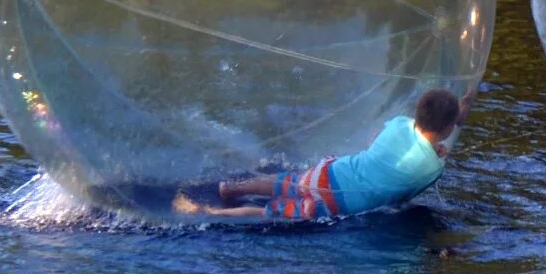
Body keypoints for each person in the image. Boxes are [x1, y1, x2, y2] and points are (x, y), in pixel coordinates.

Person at [173, 87, 466, 221]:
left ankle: (231, 188)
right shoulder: (432, 168)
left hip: (331, 171)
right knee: (271, 213)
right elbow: (408, 191)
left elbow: (376, 140)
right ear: (448, 129)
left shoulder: (400, 125)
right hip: (337, 202)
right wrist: (435, 152)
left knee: (289, 182)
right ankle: (211, 213)